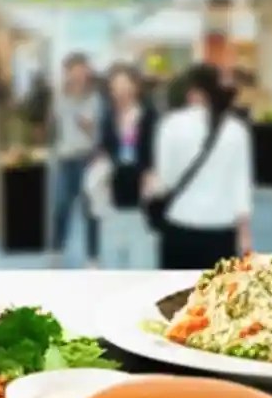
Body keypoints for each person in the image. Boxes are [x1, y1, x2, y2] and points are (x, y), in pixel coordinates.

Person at [150, 63, 252, 269]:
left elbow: (164, 181)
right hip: (221, 228)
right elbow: (241, 186)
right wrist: (245, 234)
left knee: (177, 288)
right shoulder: (236, 130)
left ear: (191, 91)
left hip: (179, 223)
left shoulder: (170, 125)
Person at [97, 63, 159, 269]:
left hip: (143, 189)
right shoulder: (108, 117)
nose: (121, 91)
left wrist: (151, 174)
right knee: (115, 252)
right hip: (115, 187)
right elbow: (106, 147)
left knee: (143, 253)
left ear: (136, 87)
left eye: (125, 85)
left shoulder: (149, 116)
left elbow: (155, 150)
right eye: (116, 87)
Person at [52, 53, 103, 266]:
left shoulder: (95, 98)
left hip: (87, 158)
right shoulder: (60, 97)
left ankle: (93, 256)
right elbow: (55, 125)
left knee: (90, 209)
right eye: (74, 70)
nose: (79, 75)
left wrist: (88, 126)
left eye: (82, 70)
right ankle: (57, 250)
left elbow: (99, 130)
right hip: (65, 158)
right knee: (61, 206)